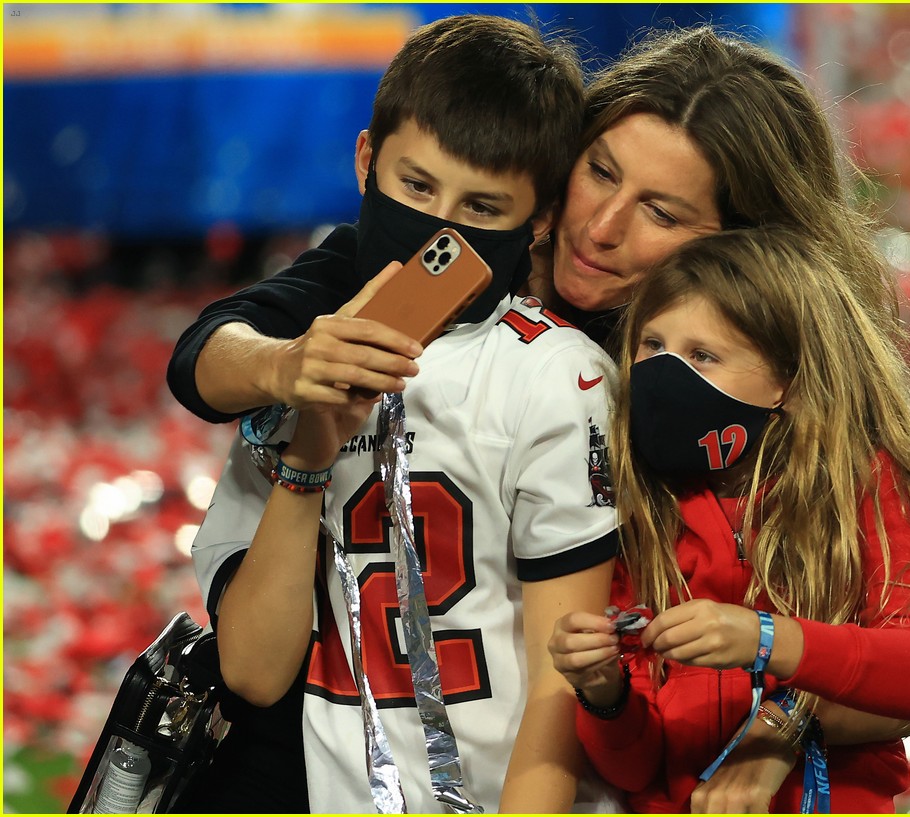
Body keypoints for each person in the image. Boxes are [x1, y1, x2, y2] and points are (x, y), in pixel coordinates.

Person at [167, 21, 910, 811]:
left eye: (661, 212)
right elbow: (209, 353)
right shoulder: (450, 256)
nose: (601, 226)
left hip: (567, 761)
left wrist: (784, 718)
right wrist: (284, 365)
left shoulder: (731, 374)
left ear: (735, 250)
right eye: (599, 173)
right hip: (339, 730)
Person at [179, 15, 619, 812]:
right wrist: (306, 441)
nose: (437, 227)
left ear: (540, 219)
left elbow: (563, 668)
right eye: (415, 187)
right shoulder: (312, 341)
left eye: (483, 207)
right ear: (366, 160)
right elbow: (251, 667)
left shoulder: (558, 373)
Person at [549, 227, 910, 812]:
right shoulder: (637, 505)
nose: (664, 375)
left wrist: (767, 639)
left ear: (791, 382)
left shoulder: (864, 484)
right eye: (652, 346)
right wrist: (602, 693)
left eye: (703, 355)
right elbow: (635, 765)